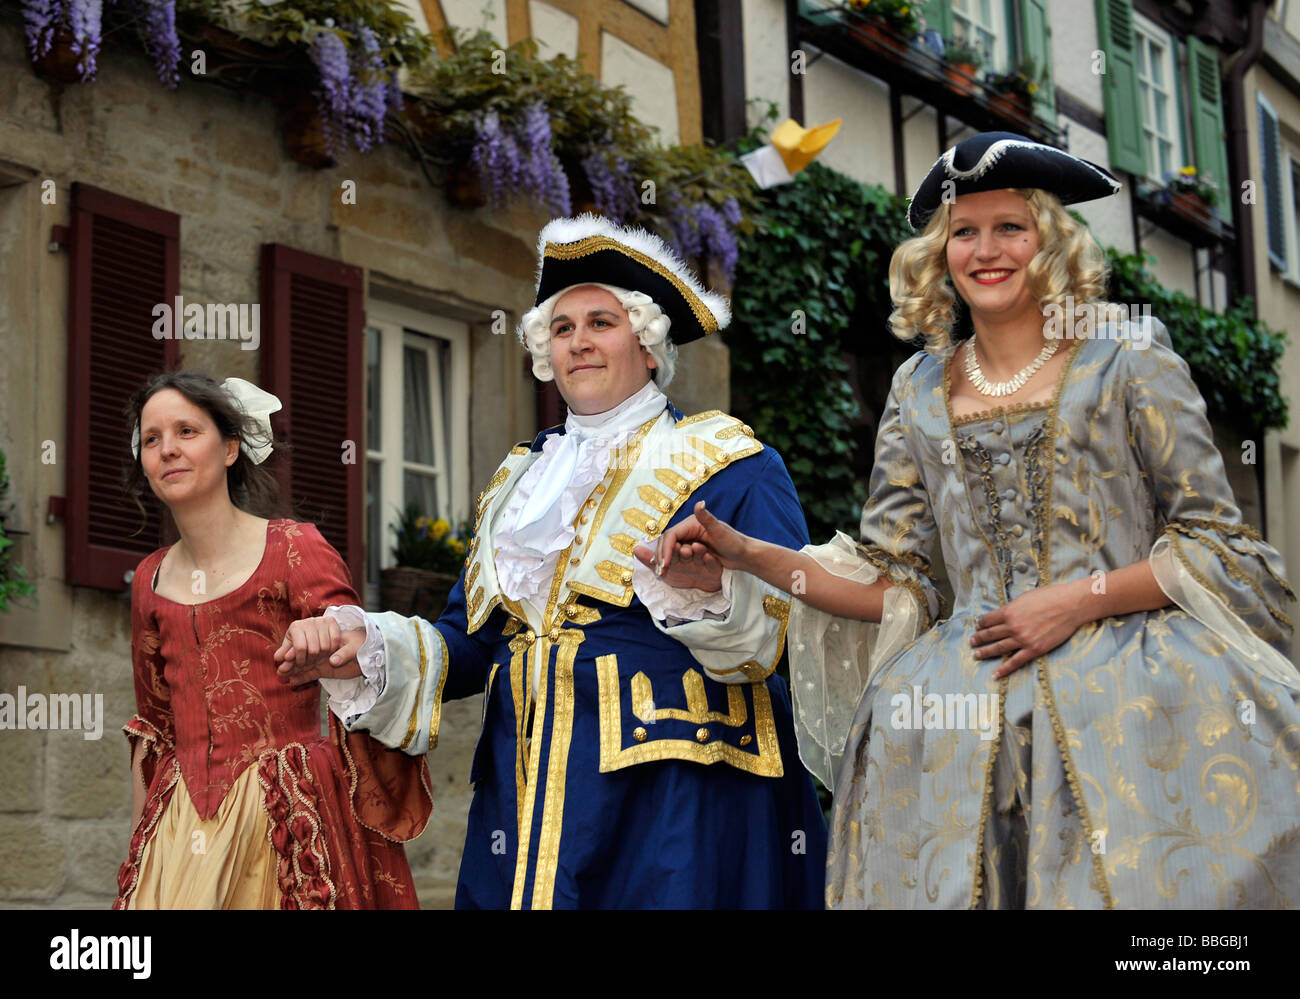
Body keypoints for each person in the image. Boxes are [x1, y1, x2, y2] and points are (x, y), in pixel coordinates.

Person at [652, 133, 1300, 908]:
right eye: (965, 232)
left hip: (1137, 691)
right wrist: (747, 552)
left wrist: (1076, 599)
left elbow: (1216, 542)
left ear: (1050, 242)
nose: (985, 250)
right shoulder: (917, 387)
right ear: (940, 252)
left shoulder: (1128, 353)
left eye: (1009, 228)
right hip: (959, 712)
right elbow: (900, 582)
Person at [275, 214, 828, 909]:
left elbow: (781, 636)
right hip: (527, 790)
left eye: (601, 322)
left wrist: (712, 594)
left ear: (650, 345)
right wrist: (368, 647)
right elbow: (470, 643)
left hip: (674, 793)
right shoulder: (519, 482)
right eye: (562, 329)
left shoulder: (732, 462)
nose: (578, 342)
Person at [115, 372, 431, 909]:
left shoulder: (294, 548)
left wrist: (332, 635)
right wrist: (145, 847)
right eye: (152, 438)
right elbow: (156, 725)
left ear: (232, 447)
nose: (167, 449)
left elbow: (362, 659)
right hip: (181, 823)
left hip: (291, 814)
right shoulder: (148, 579)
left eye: (187, 431)